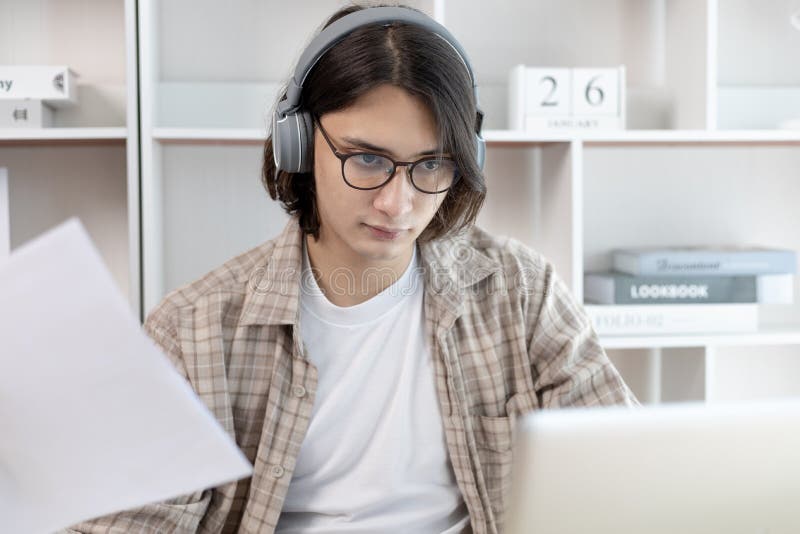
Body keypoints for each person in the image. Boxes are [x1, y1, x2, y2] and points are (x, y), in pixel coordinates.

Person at [65, 4, 636, 534]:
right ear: (298, 142)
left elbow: (627, 475)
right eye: (367, 159)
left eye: (431, 164)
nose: (397, 203)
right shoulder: (194, 330)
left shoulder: (520, 291)